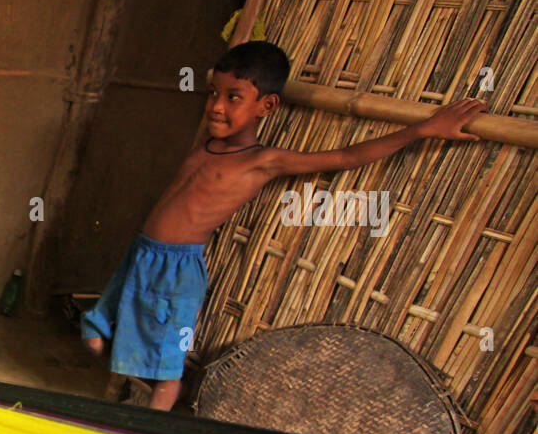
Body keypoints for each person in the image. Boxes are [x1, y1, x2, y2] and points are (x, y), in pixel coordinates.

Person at [81, 40, 486, 410]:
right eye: (214, 94)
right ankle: (122, 371)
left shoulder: (262, 161)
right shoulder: (205, 143)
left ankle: (150, 433)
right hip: (143, 252)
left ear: (267, 106)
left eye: (233, 97)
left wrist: (421, 130)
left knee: (167, 364)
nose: (217, 106)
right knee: (104, 329)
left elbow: (345, 158)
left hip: (179, 270)